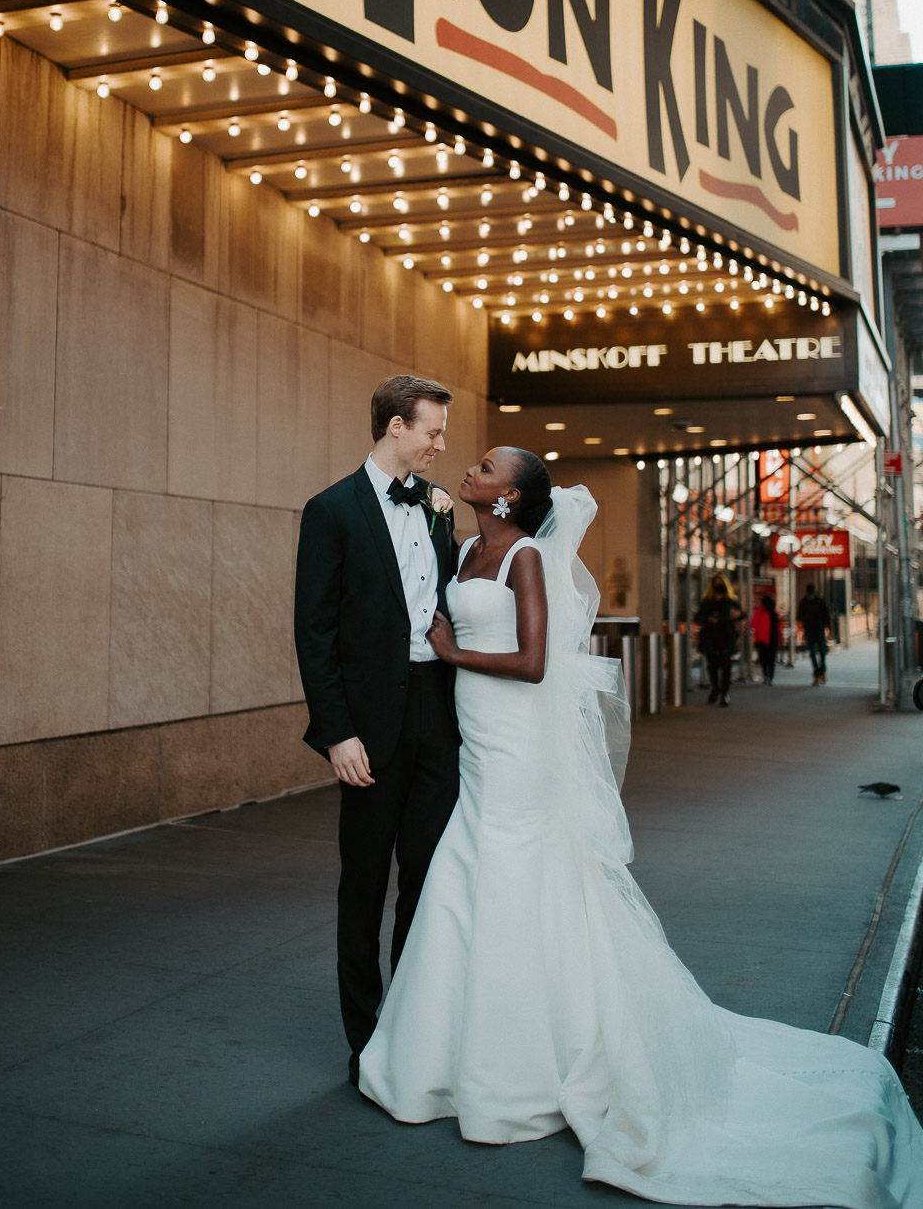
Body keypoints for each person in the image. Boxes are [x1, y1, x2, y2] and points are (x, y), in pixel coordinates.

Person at [358, 451, 923, 1206]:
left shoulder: (526, 557)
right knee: (473, 867)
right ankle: (452, 1054)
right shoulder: (462, 547)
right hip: (479, 741)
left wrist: (455, 650)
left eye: (487, 466)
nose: (471, 466)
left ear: (511, 497)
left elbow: (532, 662)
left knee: (513, 867)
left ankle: (517, 1063)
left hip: (520, 741)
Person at [294, 374, 459, 1088]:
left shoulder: (436, 509)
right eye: (432, 431)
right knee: (363, 887)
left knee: (427, 885)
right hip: (368, 728)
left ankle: (412, 1033)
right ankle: (366, 1044)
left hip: (437, 717)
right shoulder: (330, 510)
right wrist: (337, 732)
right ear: (396, 426)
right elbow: (314, 630)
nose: (440, 444)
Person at [693, 576, 744, 705]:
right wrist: (708, 619)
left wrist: (736, 615)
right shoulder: (707, 602)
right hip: (711, 638)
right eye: (716, 585)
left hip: (726, 637)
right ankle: (715, 687)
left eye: (721, 585)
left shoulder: (730, 602)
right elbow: (698, 616)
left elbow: (742, 614)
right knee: (713, 666)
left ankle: (724, 693)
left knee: (727, 666)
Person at [798, 582, 830, 685]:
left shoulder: (817, 602)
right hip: (812, 629)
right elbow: (799, 616)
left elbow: (826, 614)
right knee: (815, 652)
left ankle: (821, 671)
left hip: (816, 629)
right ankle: (818, 673)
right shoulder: (809, 602)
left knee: (821, 651)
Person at [751, 593, 780, 684]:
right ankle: (767, 676)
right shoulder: (761, 611)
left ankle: (769, 677)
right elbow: (754, 623)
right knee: (764, 659)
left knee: (770, 659)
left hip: (771, 638)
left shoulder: (774, 611)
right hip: (763, 639)